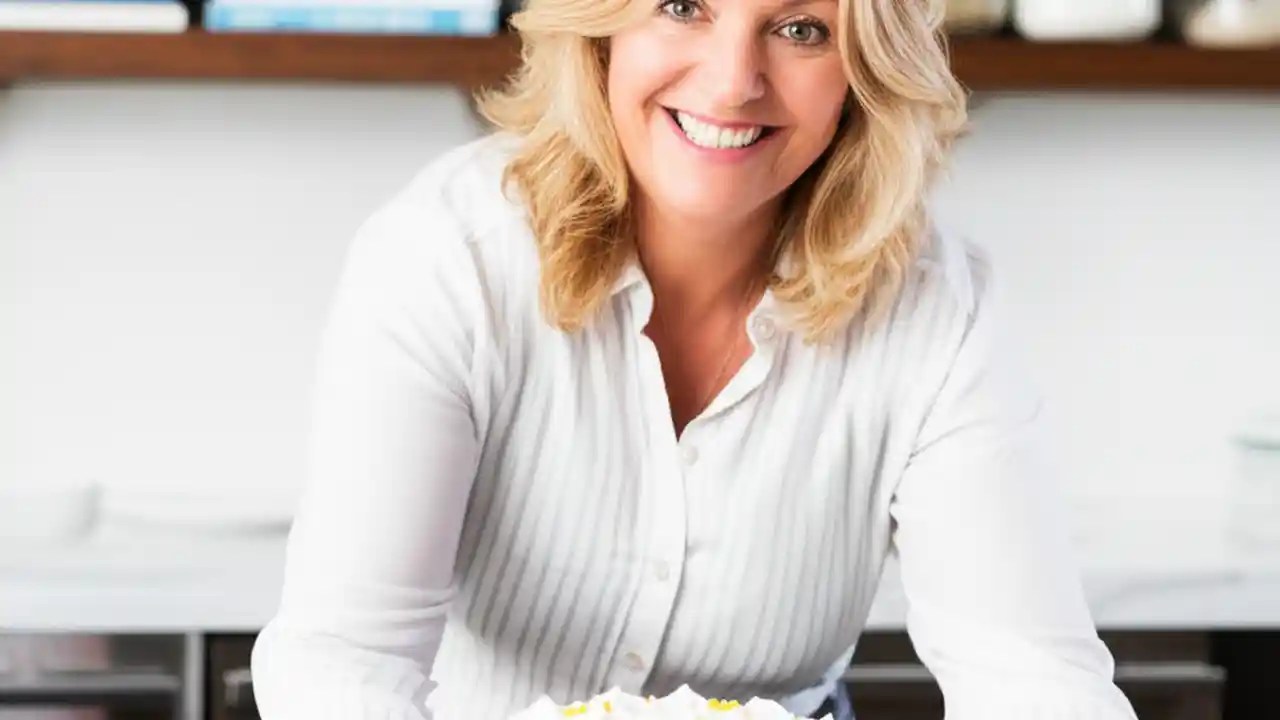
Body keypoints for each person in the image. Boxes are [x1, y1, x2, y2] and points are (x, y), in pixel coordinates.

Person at [250, 0, 1140, 717]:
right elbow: (344, 661)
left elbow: (1029, 676)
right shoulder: (450, 256)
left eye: (801, 30)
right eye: (683, 7)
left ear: (866, 70)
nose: (732, 82)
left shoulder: (936, 307)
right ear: (601, 30)